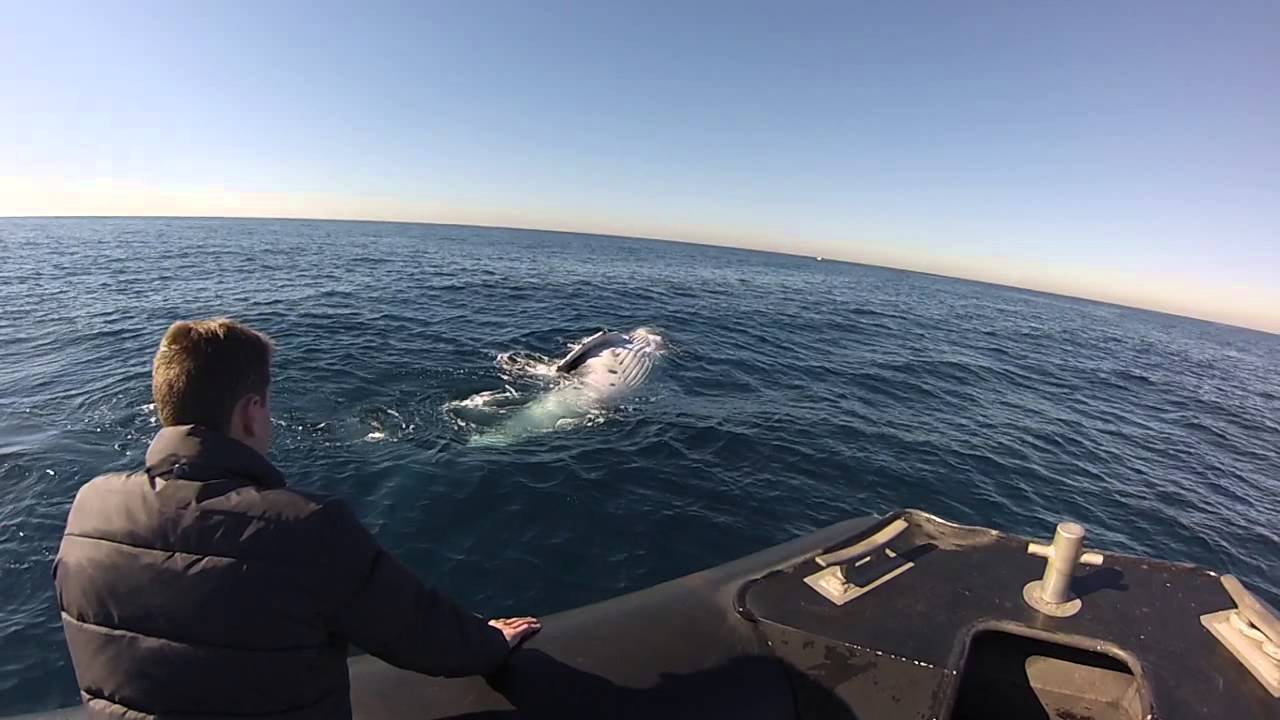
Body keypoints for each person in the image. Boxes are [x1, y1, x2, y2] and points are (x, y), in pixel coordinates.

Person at [53, 318, 540, 719]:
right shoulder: (305, 525)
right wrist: (492, 641)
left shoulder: (89, 509)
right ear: (250, 413)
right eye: (267, 406)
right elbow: (419, 634)